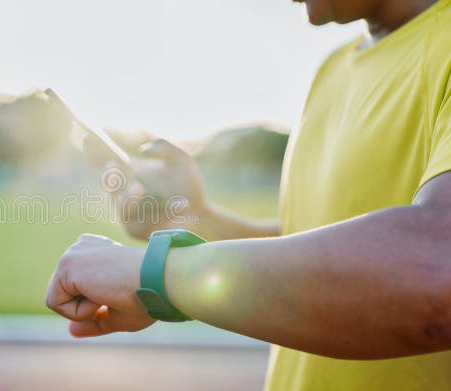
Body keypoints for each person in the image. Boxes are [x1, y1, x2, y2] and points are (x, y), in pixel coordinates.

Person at [45, 0, 451, 389]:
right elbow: (312, 249)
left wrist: (156, 272)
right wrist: (197, 222)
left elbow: (438, 268)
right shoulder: (332, 69)